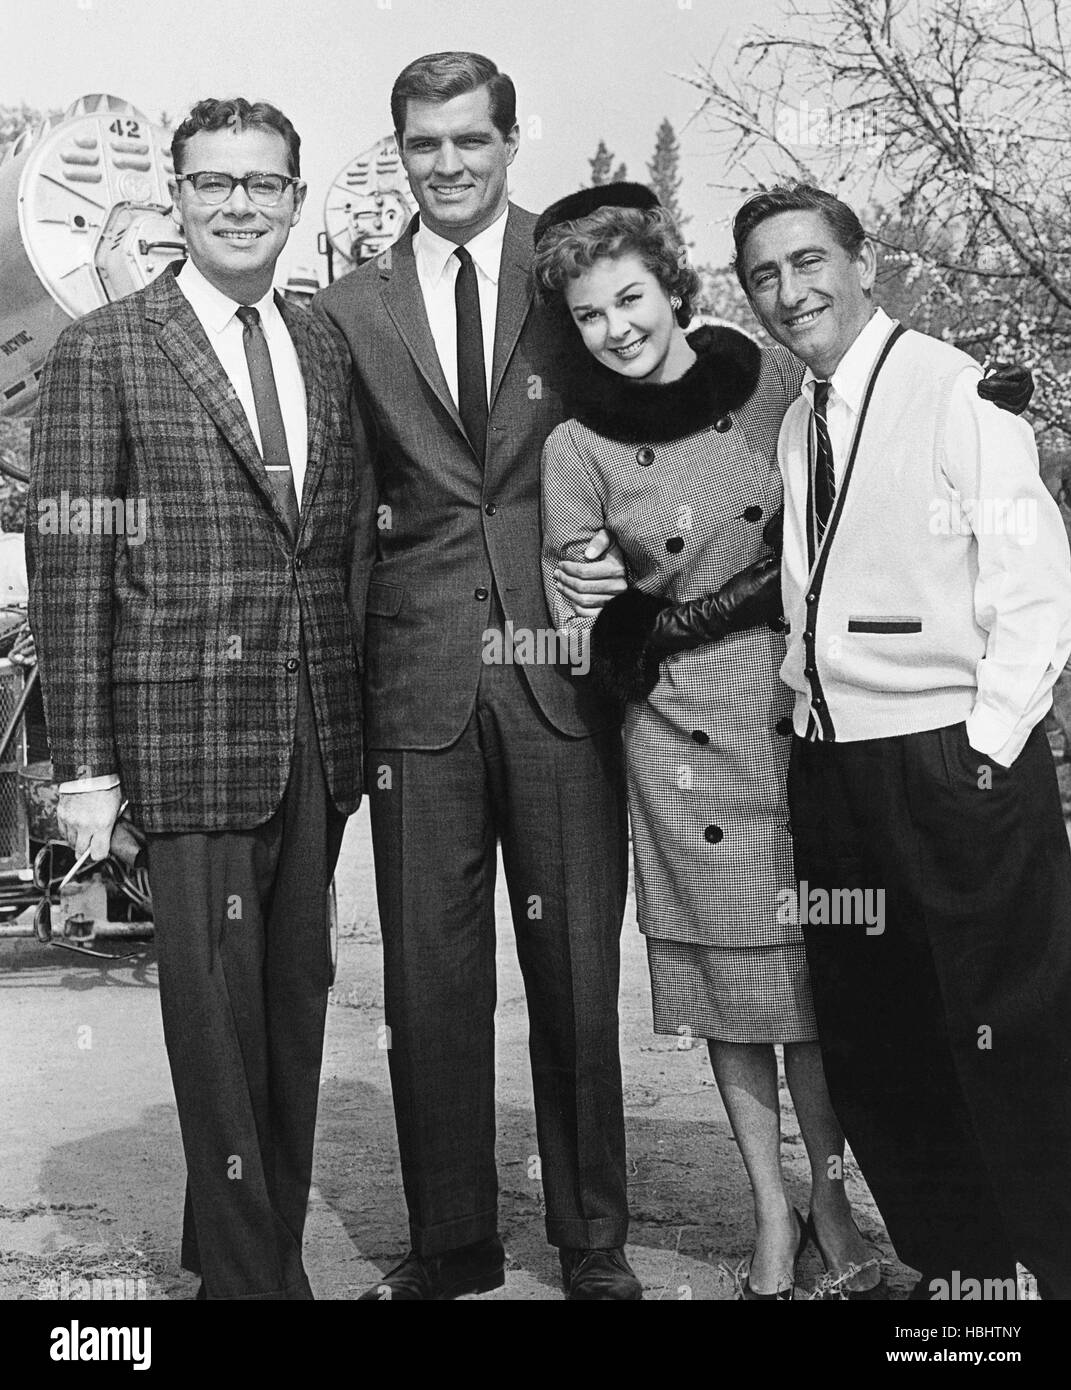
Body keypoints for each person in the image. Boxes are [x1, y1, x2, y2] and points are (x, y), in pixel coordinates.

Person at [313, 52, 640, 1301]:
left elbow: (647, 445)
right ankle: (452, 1241)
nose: (446, 164)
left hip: (563, 671)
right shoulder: (350, 306)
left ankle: (591, 1239)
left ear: (509, 142)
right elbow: (346, 514)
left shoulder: (573, 279)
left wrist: (629, 575)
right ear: (398, 152)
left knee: (576, 975)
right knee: (430, 980)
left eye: (469, 139)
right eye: (423, 143)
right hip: (418, 684)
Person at [26, 97, 362, 1301]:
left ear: (296, 199)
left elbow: (340, 547)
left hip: (314, 735)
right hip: (184, 734)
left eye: (262, 183)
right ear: (173, 198)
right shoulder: (107, 348)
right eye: (212, 182)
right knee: (215, 1028)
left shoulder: (323, 342)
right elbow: (69, 564)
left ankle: (241, 1257)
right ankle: (257, 1285)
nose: (237, 204)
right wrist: (85, 767)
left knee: (292, 1014)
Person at [535, 184, 888, 1299]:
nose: (616, 328)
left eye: (631, 298)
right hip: (679, 739)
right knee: (734, 993)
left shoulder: (773, 380)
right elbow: (575, 631)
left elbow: (840, 523)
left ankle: (832, 1201)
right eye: (590, 315)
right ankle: (772, 1212)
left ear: (674, 288)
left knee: (812, 982)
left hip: (798, 716)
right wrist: (590, 605)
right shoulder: (576, 448)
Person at [732, 182, 1071, 1300]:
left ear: (862, 263)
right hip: (837, 768)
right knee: (880, 1045)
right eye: (765, 276)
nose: (790, 292)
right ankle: (962, 1282)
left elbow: (1035, 585)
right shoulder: (800, 419)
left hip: (950, 759)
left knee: (1012, 1035)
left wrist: (986, 745)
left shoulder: (955, 387)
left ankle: (1051, 1267)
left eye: (808, 262)